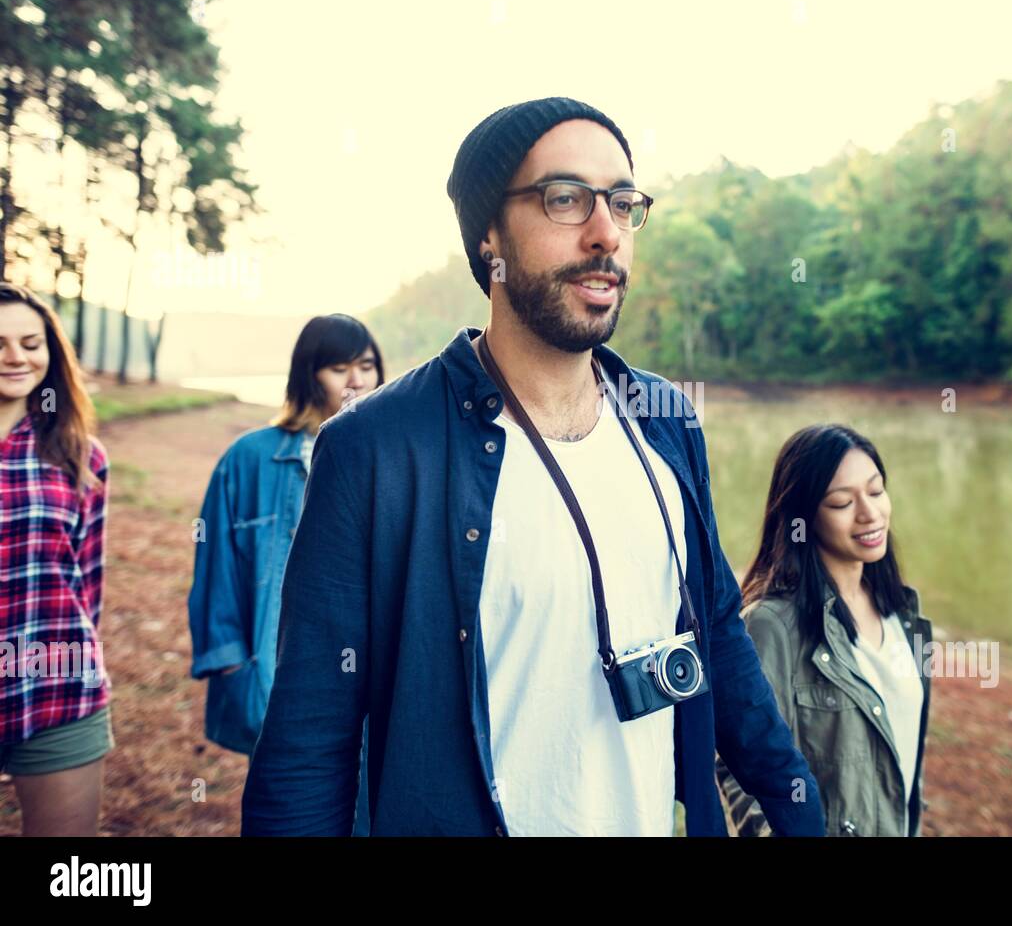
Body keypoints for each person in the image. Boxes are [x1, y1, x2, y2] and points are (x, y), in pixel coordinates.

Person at [242, 97, 824, 836]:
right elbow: (307, 742)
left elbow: (715, 627)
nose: (606, 231)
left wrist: (795, 796)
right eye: (565, 199)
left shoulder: (666, 420)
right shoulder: (376, 449)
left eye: (622, 201)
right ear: (489, 236)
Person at [188, 314, 382, 836]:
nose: (357, 381)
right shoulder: (248, 459)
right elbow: (217, 564)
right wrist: (232, 665)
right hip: (280, 679)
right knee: (293, 806)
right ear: (307, 376)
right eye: (339, 368)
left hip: (374, 678)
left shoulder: (393, 454)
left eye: (366, 366)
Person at [717, 424, 932, 836]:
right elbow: (743, 766)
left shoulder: (903, 613)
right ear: (803, 517)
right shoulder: (771, 625)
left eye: (875, 490)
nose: (869, 513)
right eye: (840, 503)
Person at [0, 282, 111, 835]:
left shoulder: (80, 454)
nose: (16, 357)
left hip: (56, 685)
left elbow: (87, 586)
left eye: (30, 342)